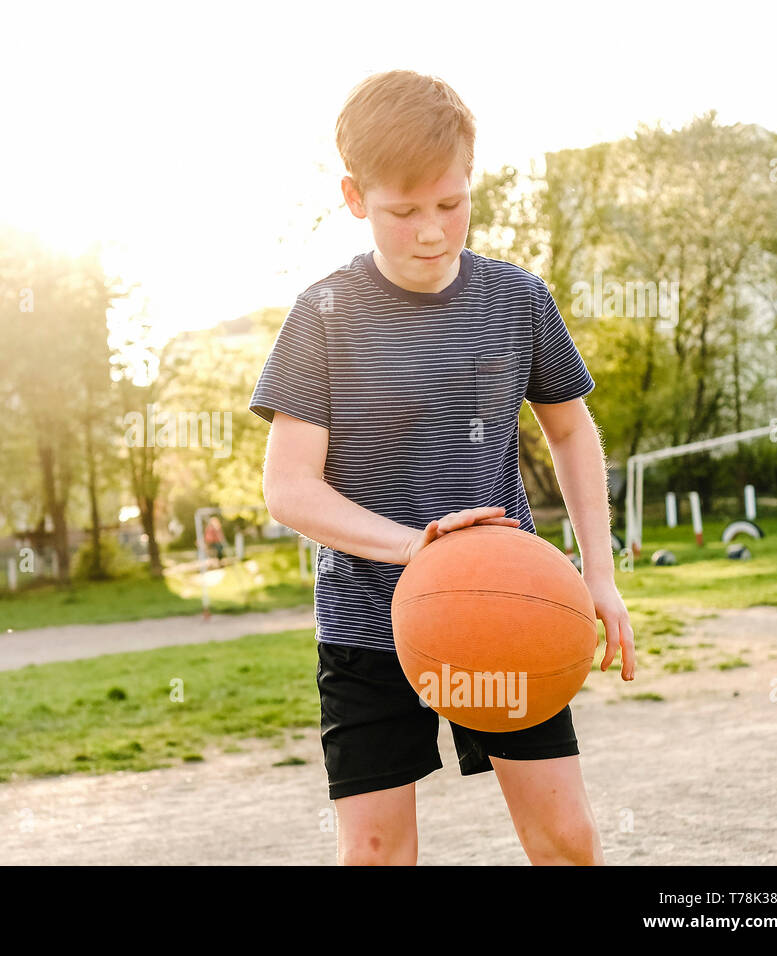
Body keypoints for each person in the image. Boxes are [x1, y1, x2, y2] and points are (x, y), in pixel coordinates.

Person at [249, 70, 635, 866]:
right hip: (368, 626)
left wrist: (598, 572)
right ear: (356, 197)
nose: (431, 231)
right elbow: (288, 487)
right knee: (376, 855)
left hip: (507, 611)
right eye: (403, 211)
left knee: (568, 843)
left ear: (470, 182)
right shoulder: (322, 316)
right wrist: (419, 547)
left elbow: (570, 431)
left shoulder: (518, 300)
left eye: (450, 204)